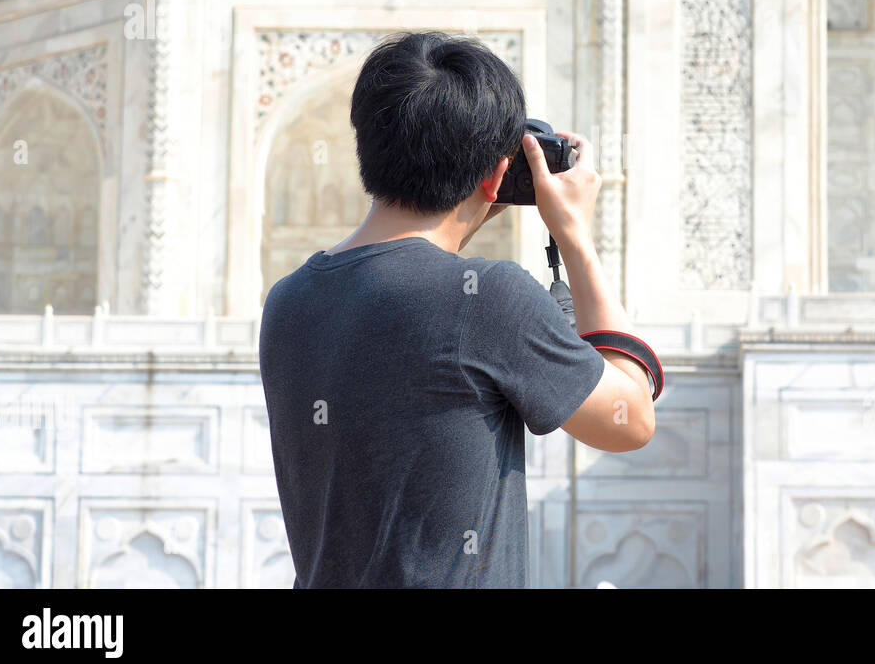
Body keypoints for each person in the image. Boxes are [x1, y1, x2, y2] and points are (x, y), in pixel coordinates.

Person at [258, 31, 656, 588]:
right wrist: (574, 236)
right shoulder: (491, 297)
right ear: (496, 176)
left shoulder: (289, 300)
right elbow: (630, 420)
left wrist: (474, 205)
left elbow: (413, 292)